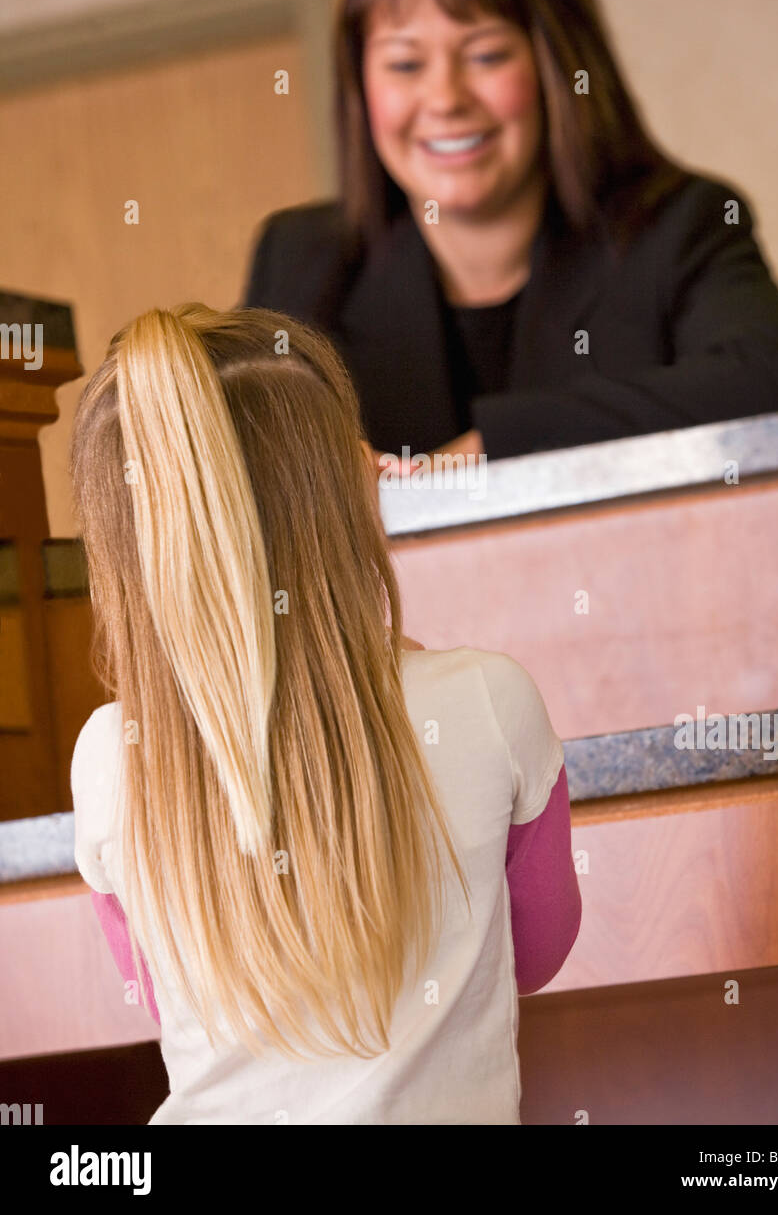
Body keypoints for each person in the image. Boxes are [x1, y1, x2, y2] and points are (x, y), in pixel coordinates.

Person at [69, 303, 581, 1125]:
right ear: (339, 502)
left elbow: (160, 998)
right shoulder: (488, 699)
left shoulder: (109, 755)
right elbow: (538, 953)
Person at [243, 0, 778, 467]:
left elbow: (776, 383)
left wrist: (493, 451)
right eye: (405, 62)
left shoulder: (678, 224)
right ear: (359, 85)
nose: (445, 98)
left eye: (486, 55)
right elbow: (229, 458)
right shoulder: (300, 258)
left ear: (559, 64)